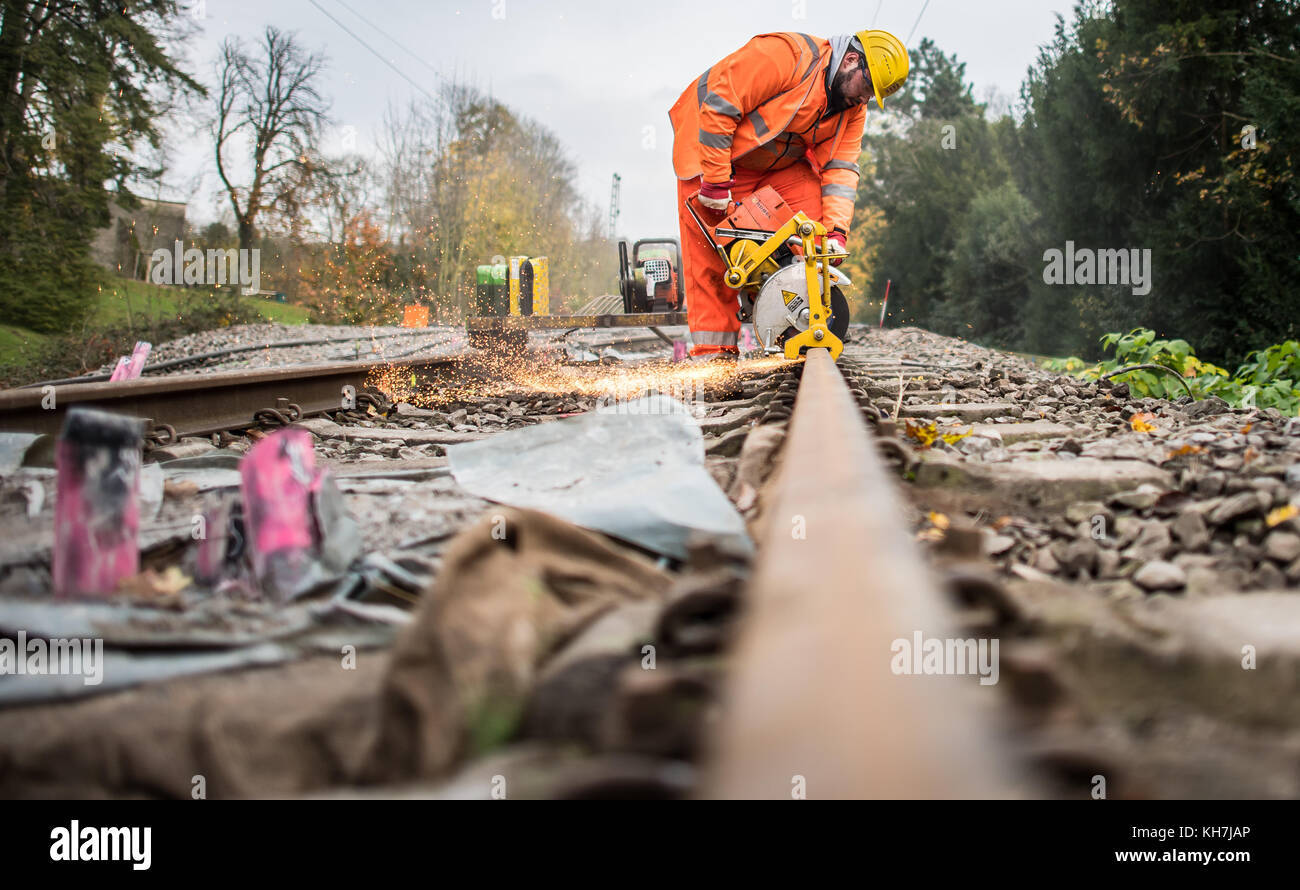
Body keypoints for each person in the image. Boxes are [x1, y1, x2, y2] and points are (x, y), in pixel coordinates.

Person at [669, 29, 910, 359]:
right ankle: (714, 357)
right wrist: (715, 182)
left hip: (774, 165)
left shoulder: (853, 110)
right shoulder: (786, 55)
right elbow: (719, 105)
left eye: (873, 96)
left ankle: (797, 312)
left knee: (815, 234)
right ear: (851, 61)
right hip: (712, 152)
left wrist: (837, 233)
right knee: (712, 262)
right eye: (867, 88)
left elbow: (841, 170)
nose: (865, 99)